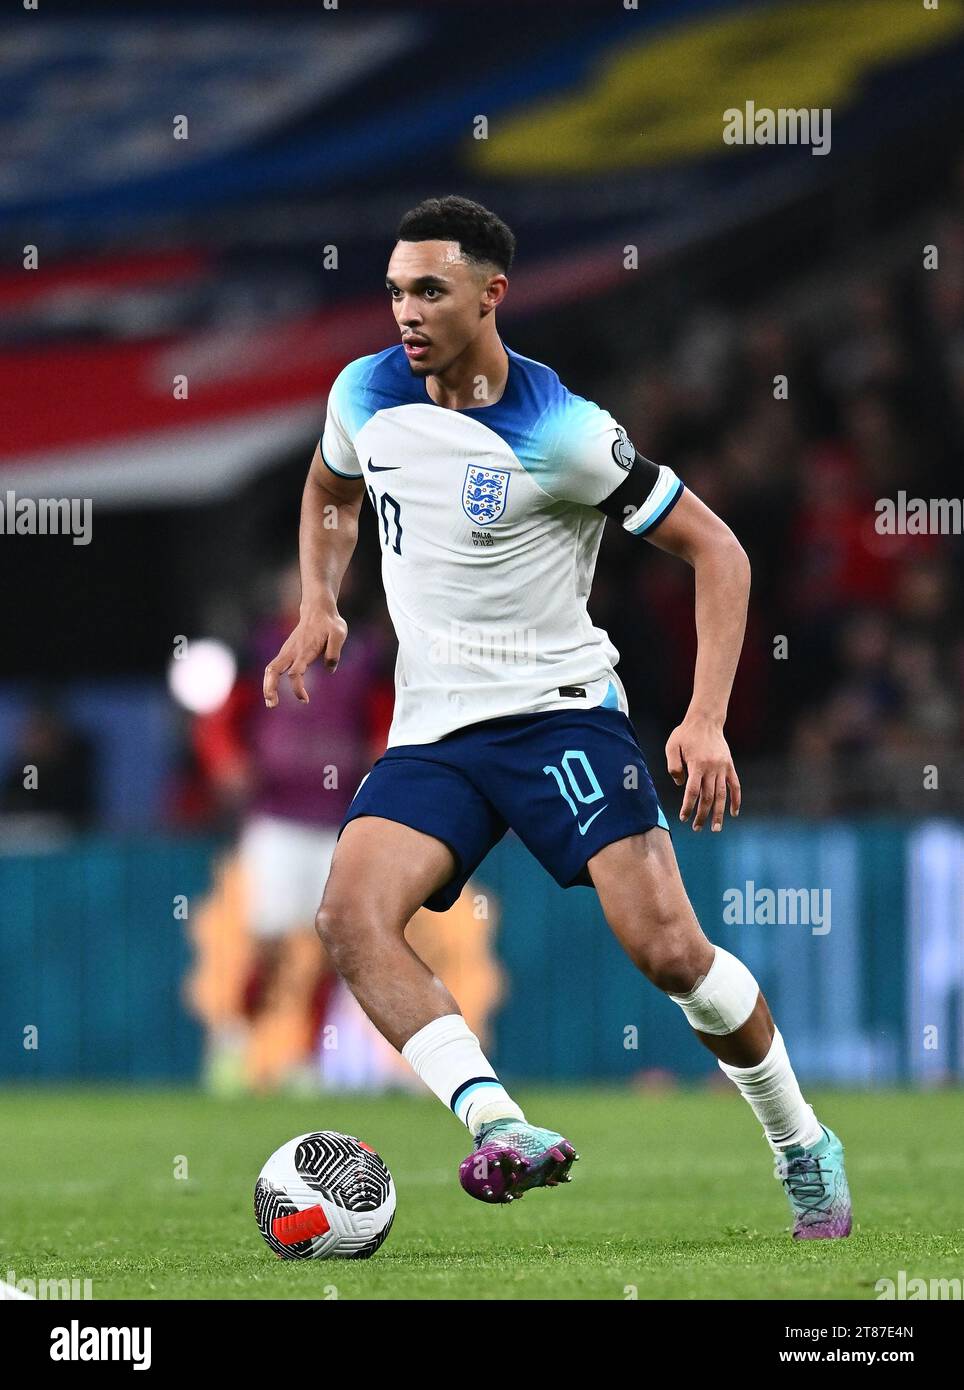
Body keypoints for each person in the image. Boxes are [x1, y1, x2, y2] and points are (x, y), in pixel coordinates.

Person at [263, 196, 851, 1237]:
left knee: (670, 952)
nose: (405, 309)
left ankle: (801, 1140)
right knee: (350, 919)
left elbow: (720, 551)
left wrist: (703, 718)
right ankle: (501, 1127)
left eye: (430, 290)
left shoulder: (565, 430)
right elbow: (328, 489)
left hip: (558, 718)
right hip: (434, 731)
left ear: (491, 295)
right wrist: (319, 601)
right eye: (396, 289)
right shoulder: (362, 392)